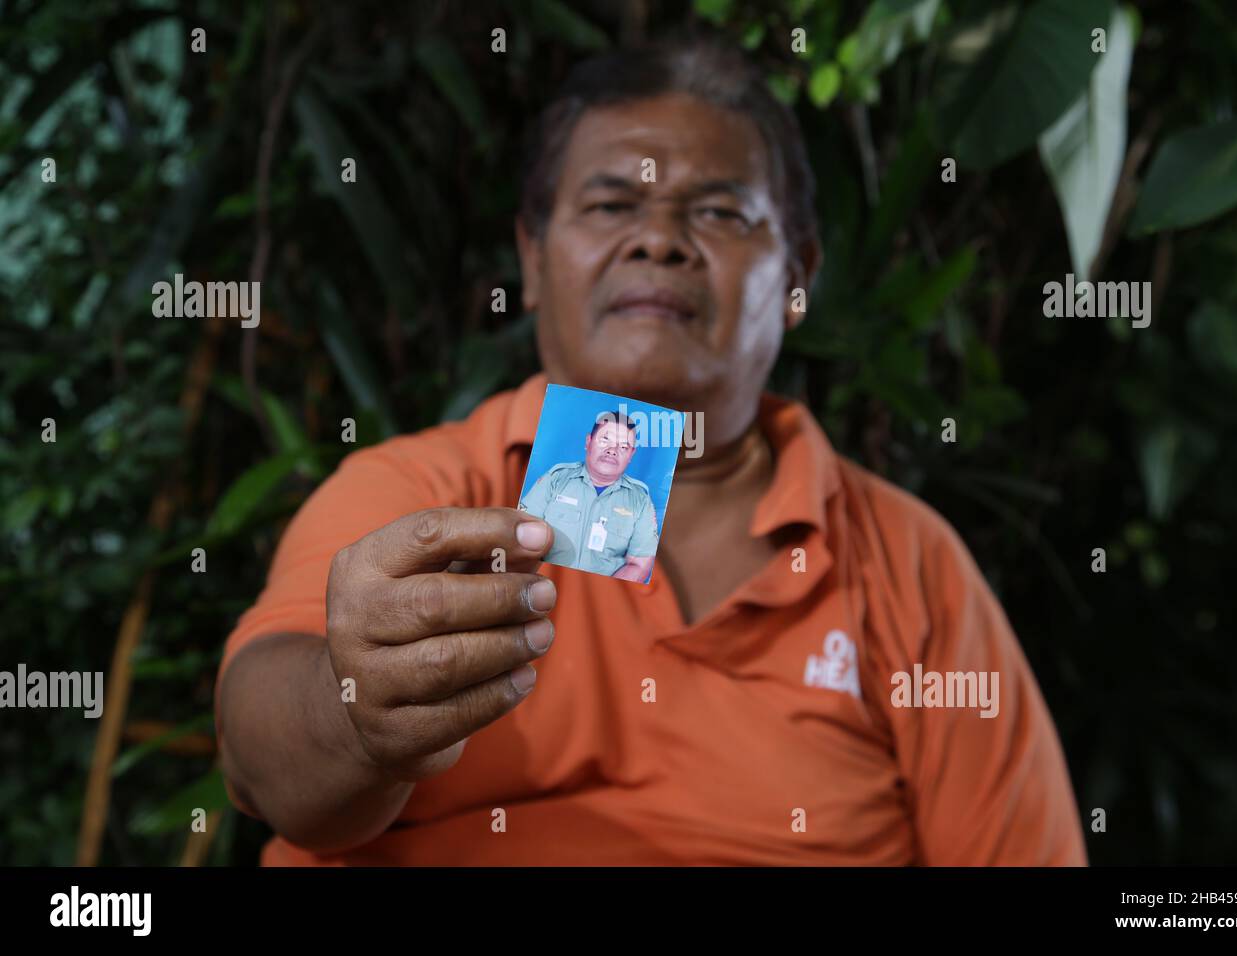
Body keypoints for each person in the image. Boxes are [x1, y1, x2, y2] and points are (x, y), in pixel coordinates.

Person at [216, 28, 1088, 865]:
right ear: (532, 257)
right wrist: (355, 708)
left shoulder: (910, 565)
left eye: (718, 211)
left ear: (797, 280)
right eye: (610, 204)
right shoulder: (418, 494)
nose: (659, 239)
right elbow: (261, 762)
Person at [517, 411, 659, 582]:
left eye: (623, 447)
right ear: (588, 442)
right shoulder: (556, 479)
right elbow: (520, 535)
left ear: (631, 454)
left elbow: (639, 565)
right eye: (605, 439)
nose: (612, 451)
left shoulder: (640, 501)